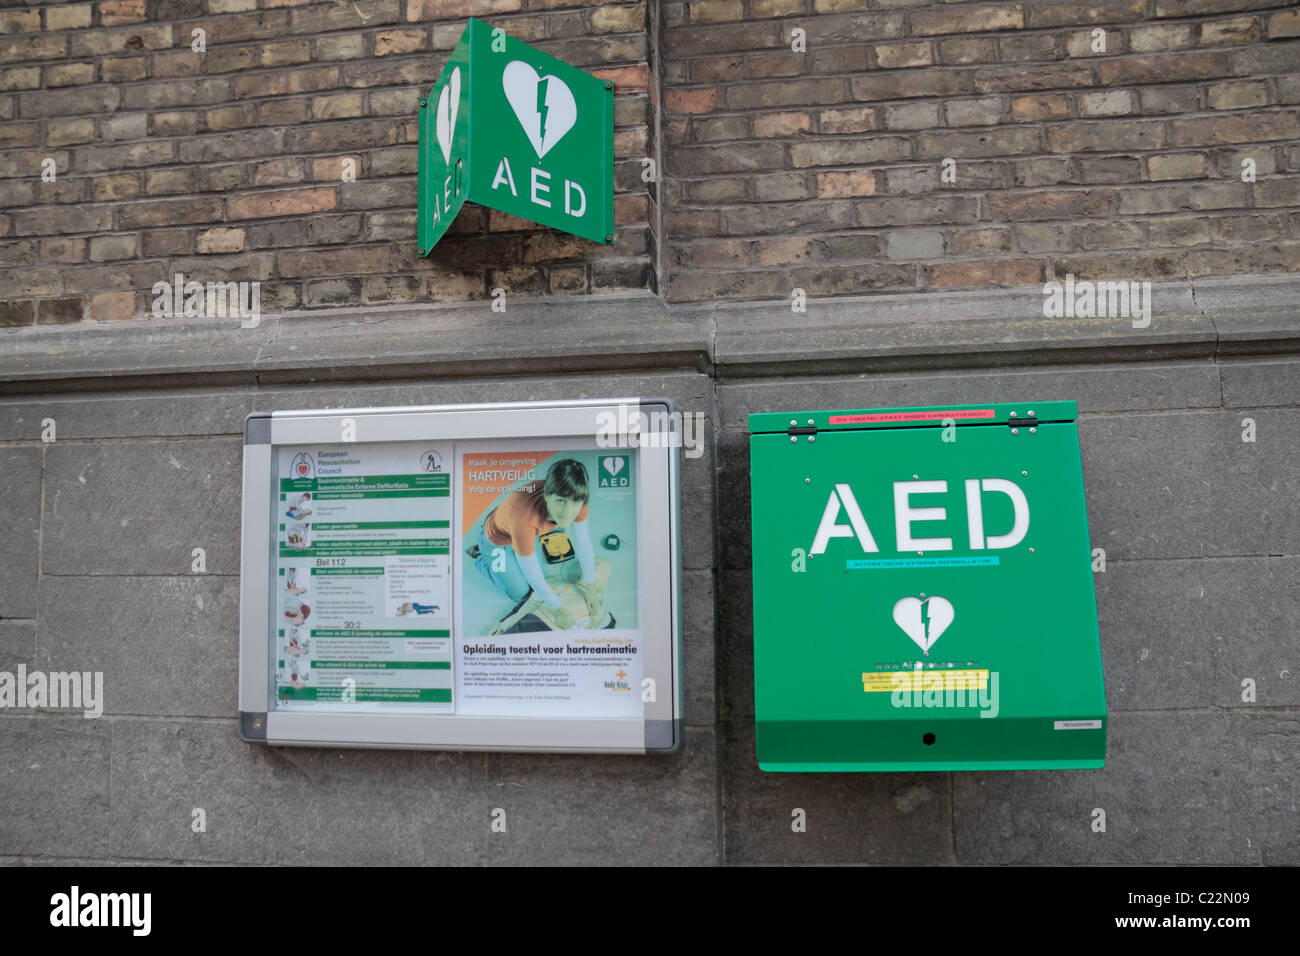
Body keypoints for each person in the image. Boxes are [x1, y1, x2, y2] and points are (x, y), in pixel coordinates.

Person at [469, 459, 603, 630]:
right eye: (561, 501)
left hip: (518, 533)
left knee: (539, 583)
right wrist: (559, 610)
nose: (569, 512)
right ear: (547, 495)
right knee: (521, 593)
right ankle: (482, 555)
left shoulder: (577, 497)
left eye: (574, 503)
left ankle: (514, 550)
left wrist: (591, 588)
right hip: (496, 541)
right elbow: (534, 576)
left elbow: (583, 541)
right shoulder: (524, 521)